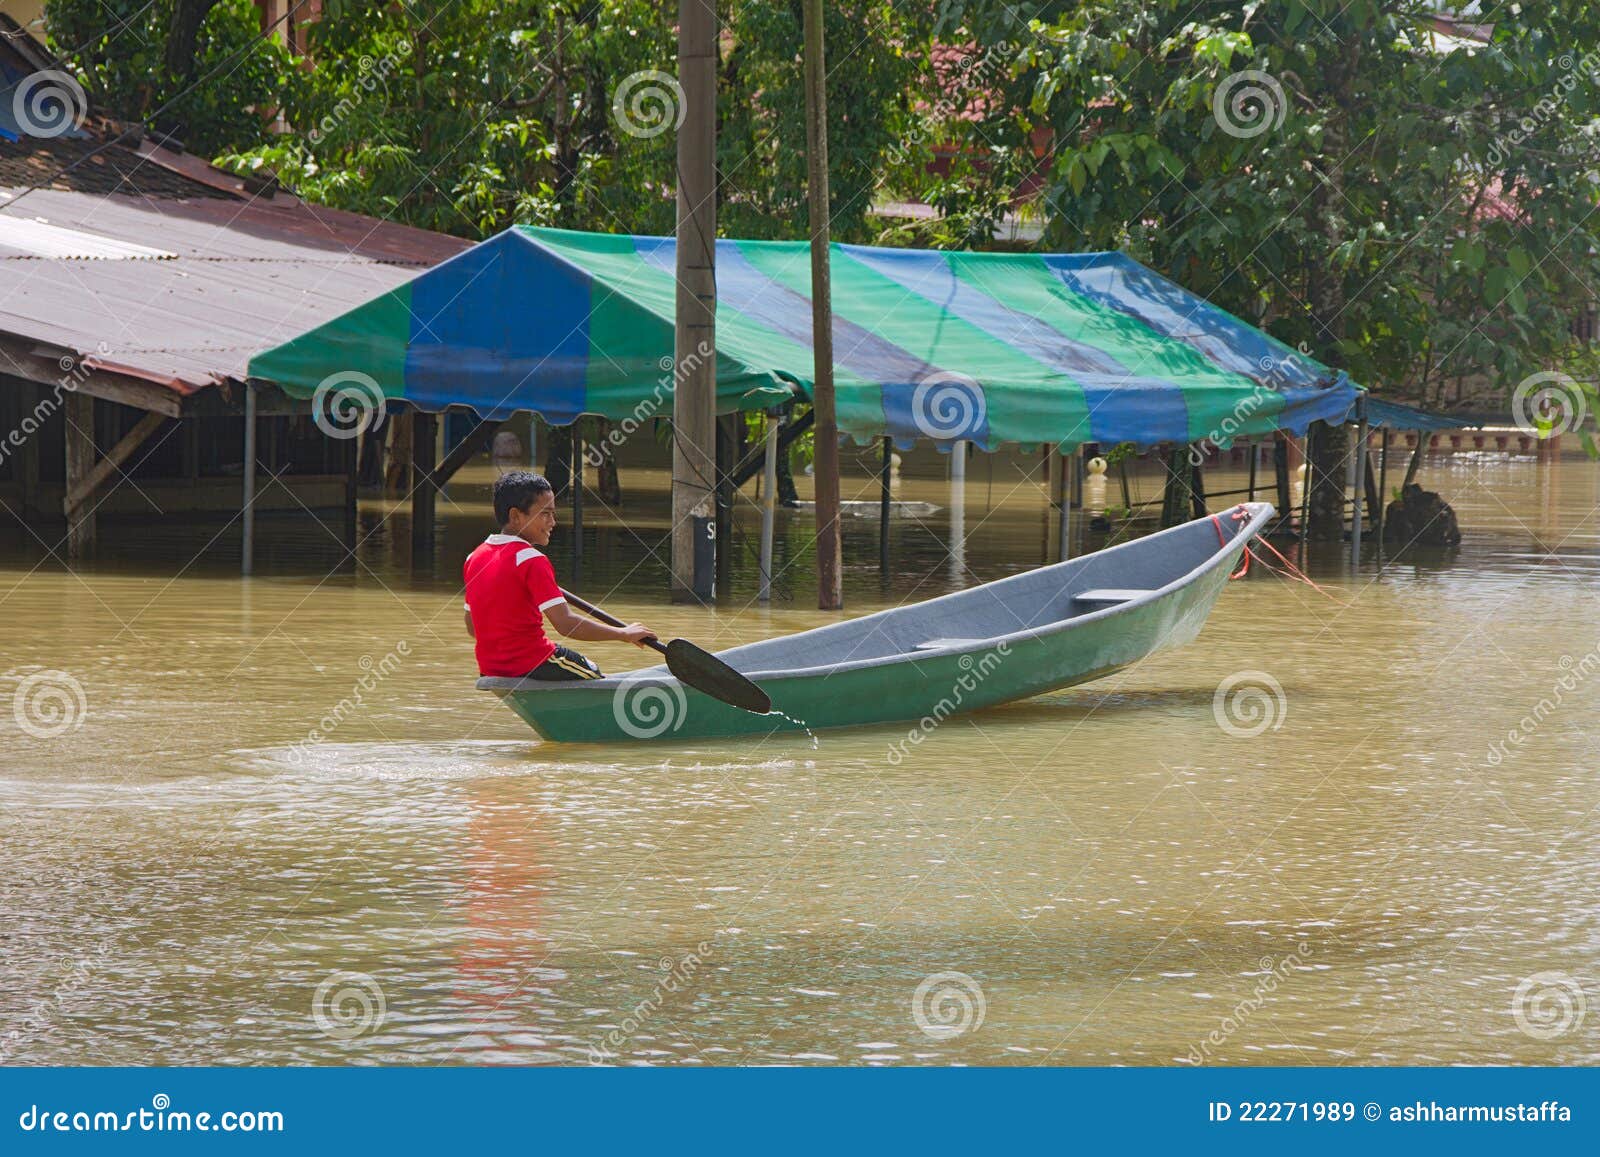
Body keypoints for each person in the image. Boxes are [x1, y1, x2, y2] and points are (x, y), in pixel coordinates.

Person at [464, 471, 655, 679]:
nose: (553, 522)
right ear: (515, 516)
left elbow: (472, 627)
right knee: (592, 671)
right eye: (545, 514)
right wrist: (624, 634)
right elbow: (566, 624)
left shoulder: (474, 558)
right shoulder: (532, 559)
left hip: (491, 668)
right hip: (534, 662)